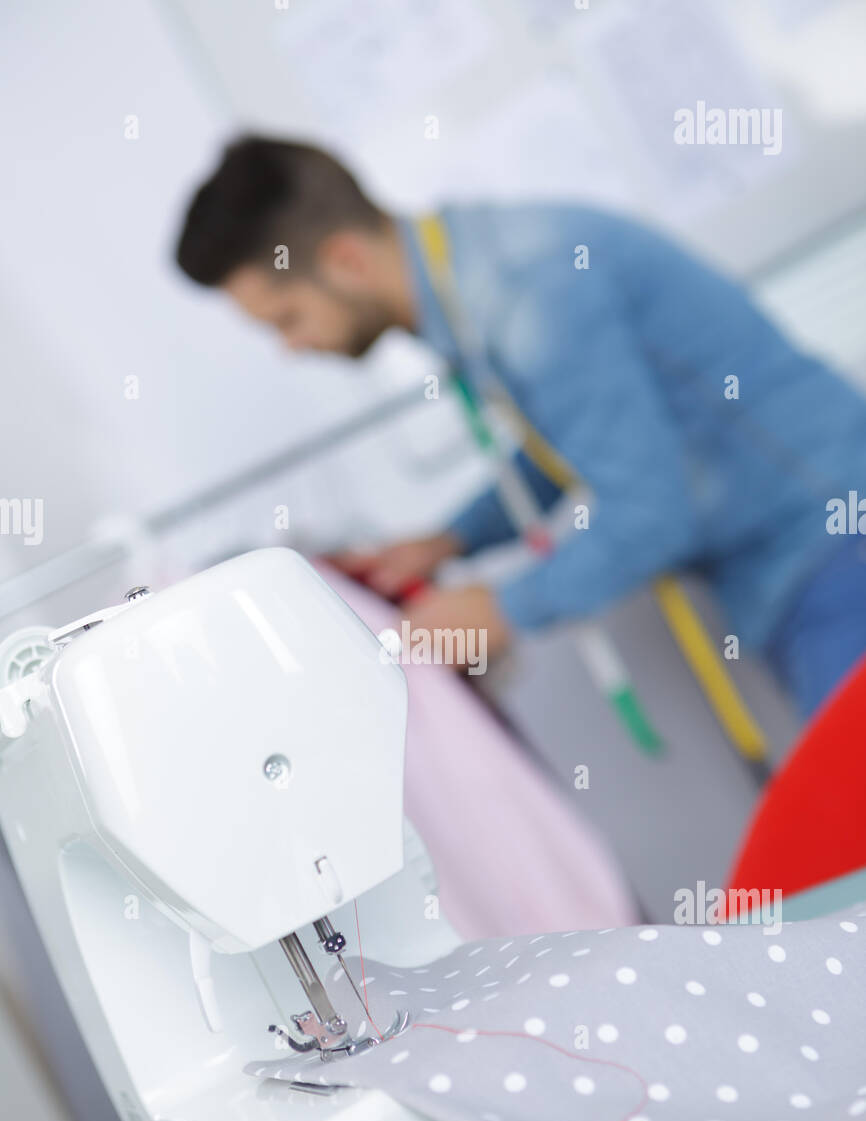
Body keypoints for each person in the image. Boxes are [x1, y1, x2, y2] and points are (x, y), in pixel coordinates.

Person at [175, 136, 866, 719]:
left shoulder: (527, 296)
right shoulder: (478, 279)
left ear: (346, 262)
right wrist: (453, 539)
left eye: (287, 319)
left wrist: (499, 608)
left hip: (833, 553)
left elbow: (654, 511)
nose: (292, 348)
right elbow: (577, 440)